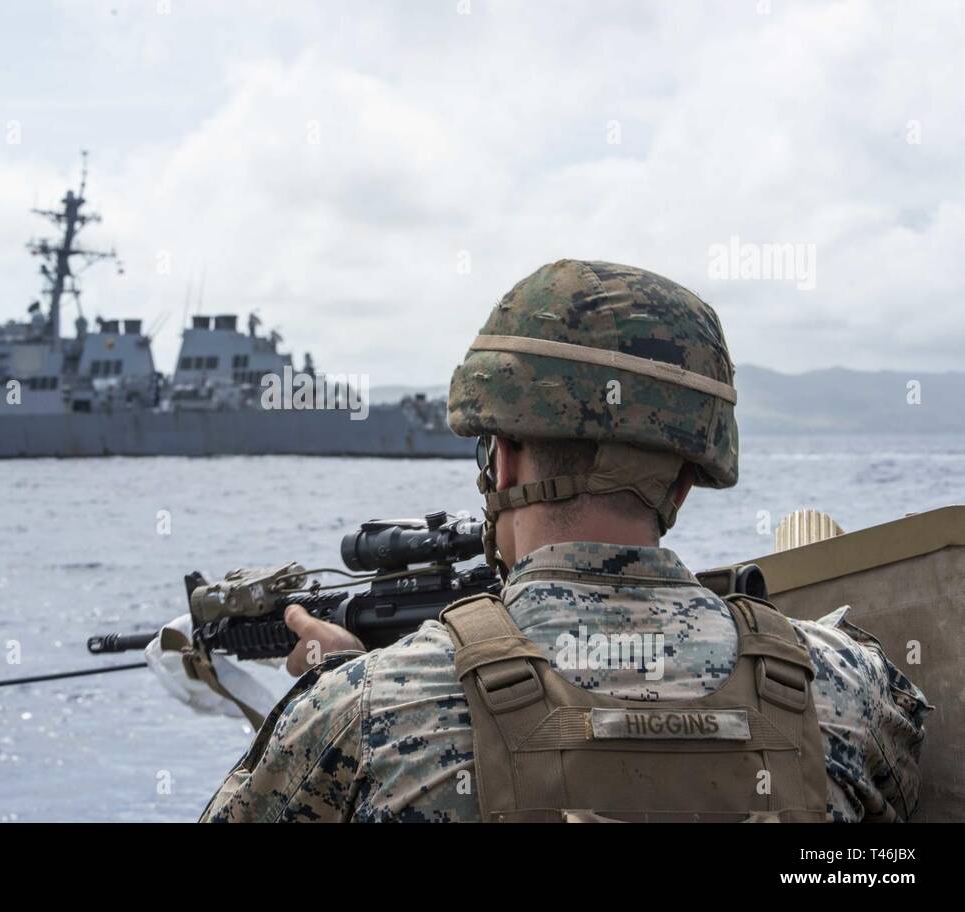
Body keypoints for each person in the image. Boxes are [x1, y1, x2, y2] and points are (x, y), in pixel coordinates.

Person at [201, 259, 930, 823]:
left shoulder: (368, 711)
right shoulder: (849, 688)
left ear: (505, 462)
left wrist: (352, 684)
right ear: (682, 484)